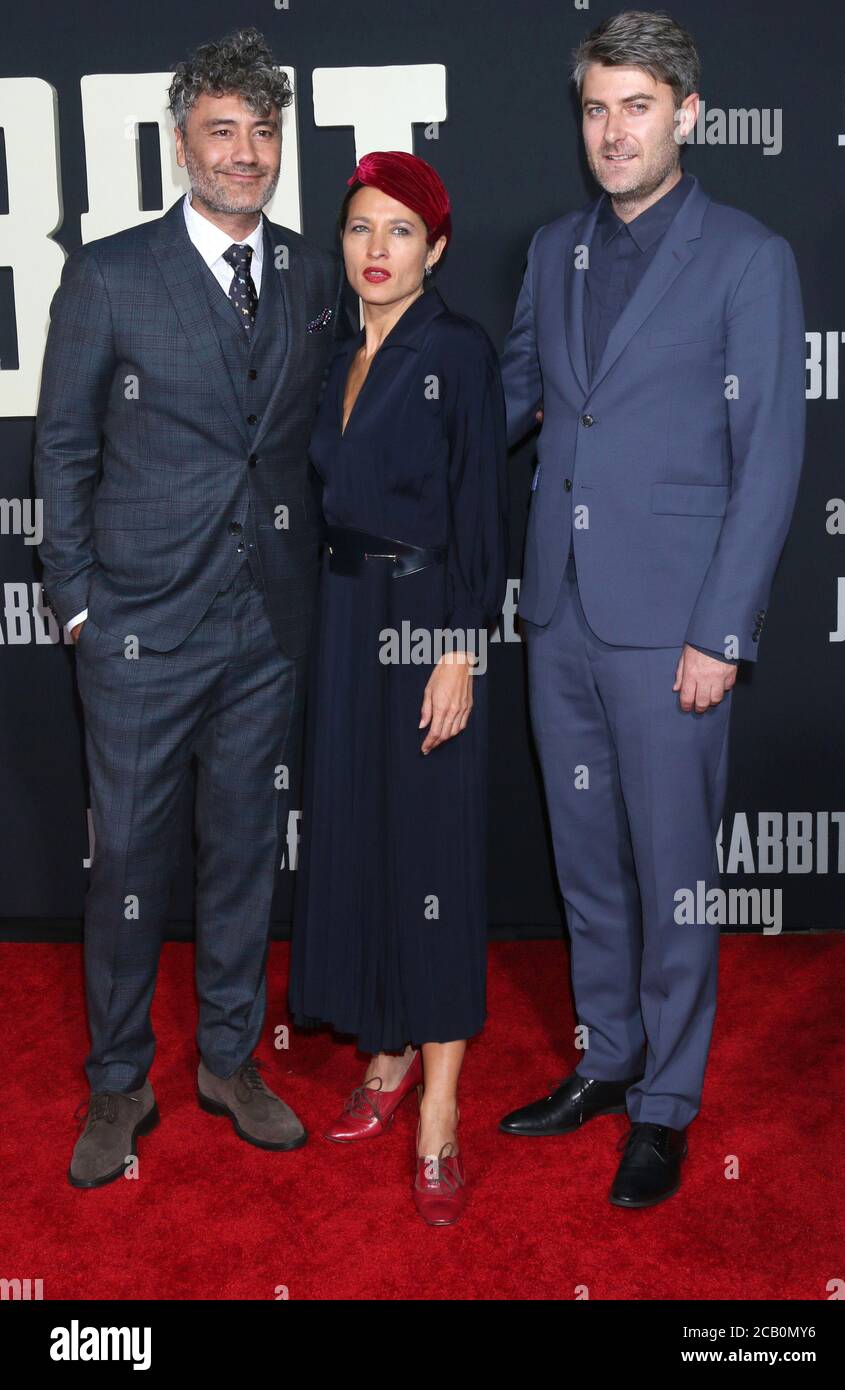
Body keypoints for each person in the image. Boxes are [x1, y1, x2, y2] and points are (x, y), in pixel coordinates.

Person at [34, 28, 352, 1187]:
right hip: (134, 629)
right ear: (182, 144)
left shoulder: (312, 274)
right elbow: (61, 449)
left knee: (240, 856)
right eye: (223, 131)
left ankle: (228, 1058)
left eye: (264, 133)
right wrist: (75, 605)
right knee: (125, 863)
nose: (247, 153)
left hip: (263, 628)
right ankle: (119, 1080)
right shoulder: (111, 273)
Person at [498, 9, 805, 1207]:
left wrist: (717, 631)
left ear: (685, 114)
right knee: (586, 863)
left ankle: (667, 1104)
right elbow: (519, 400)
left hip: (671, 620)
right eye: (594, 108)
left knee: (672, 867)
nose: (611, 130)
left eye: (636, 107)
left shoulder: (745, 256)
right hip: (561, 608)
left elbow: (768, 454)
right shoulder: (550, 252)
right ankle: (607, 1057)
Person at [289, 151, 508, 1225]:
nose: (375, 252)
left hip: (426, 622)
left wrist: (461, 645)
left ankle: (437, 1112)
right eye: (359, 230)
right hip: (342, 622)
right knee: (362, 842)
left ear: (437, 249)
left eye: (399, 234)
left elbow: (479, 508)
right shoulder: (337, 349)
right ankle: (379, 1058)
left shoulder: (455, 353)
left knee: (433, 857)